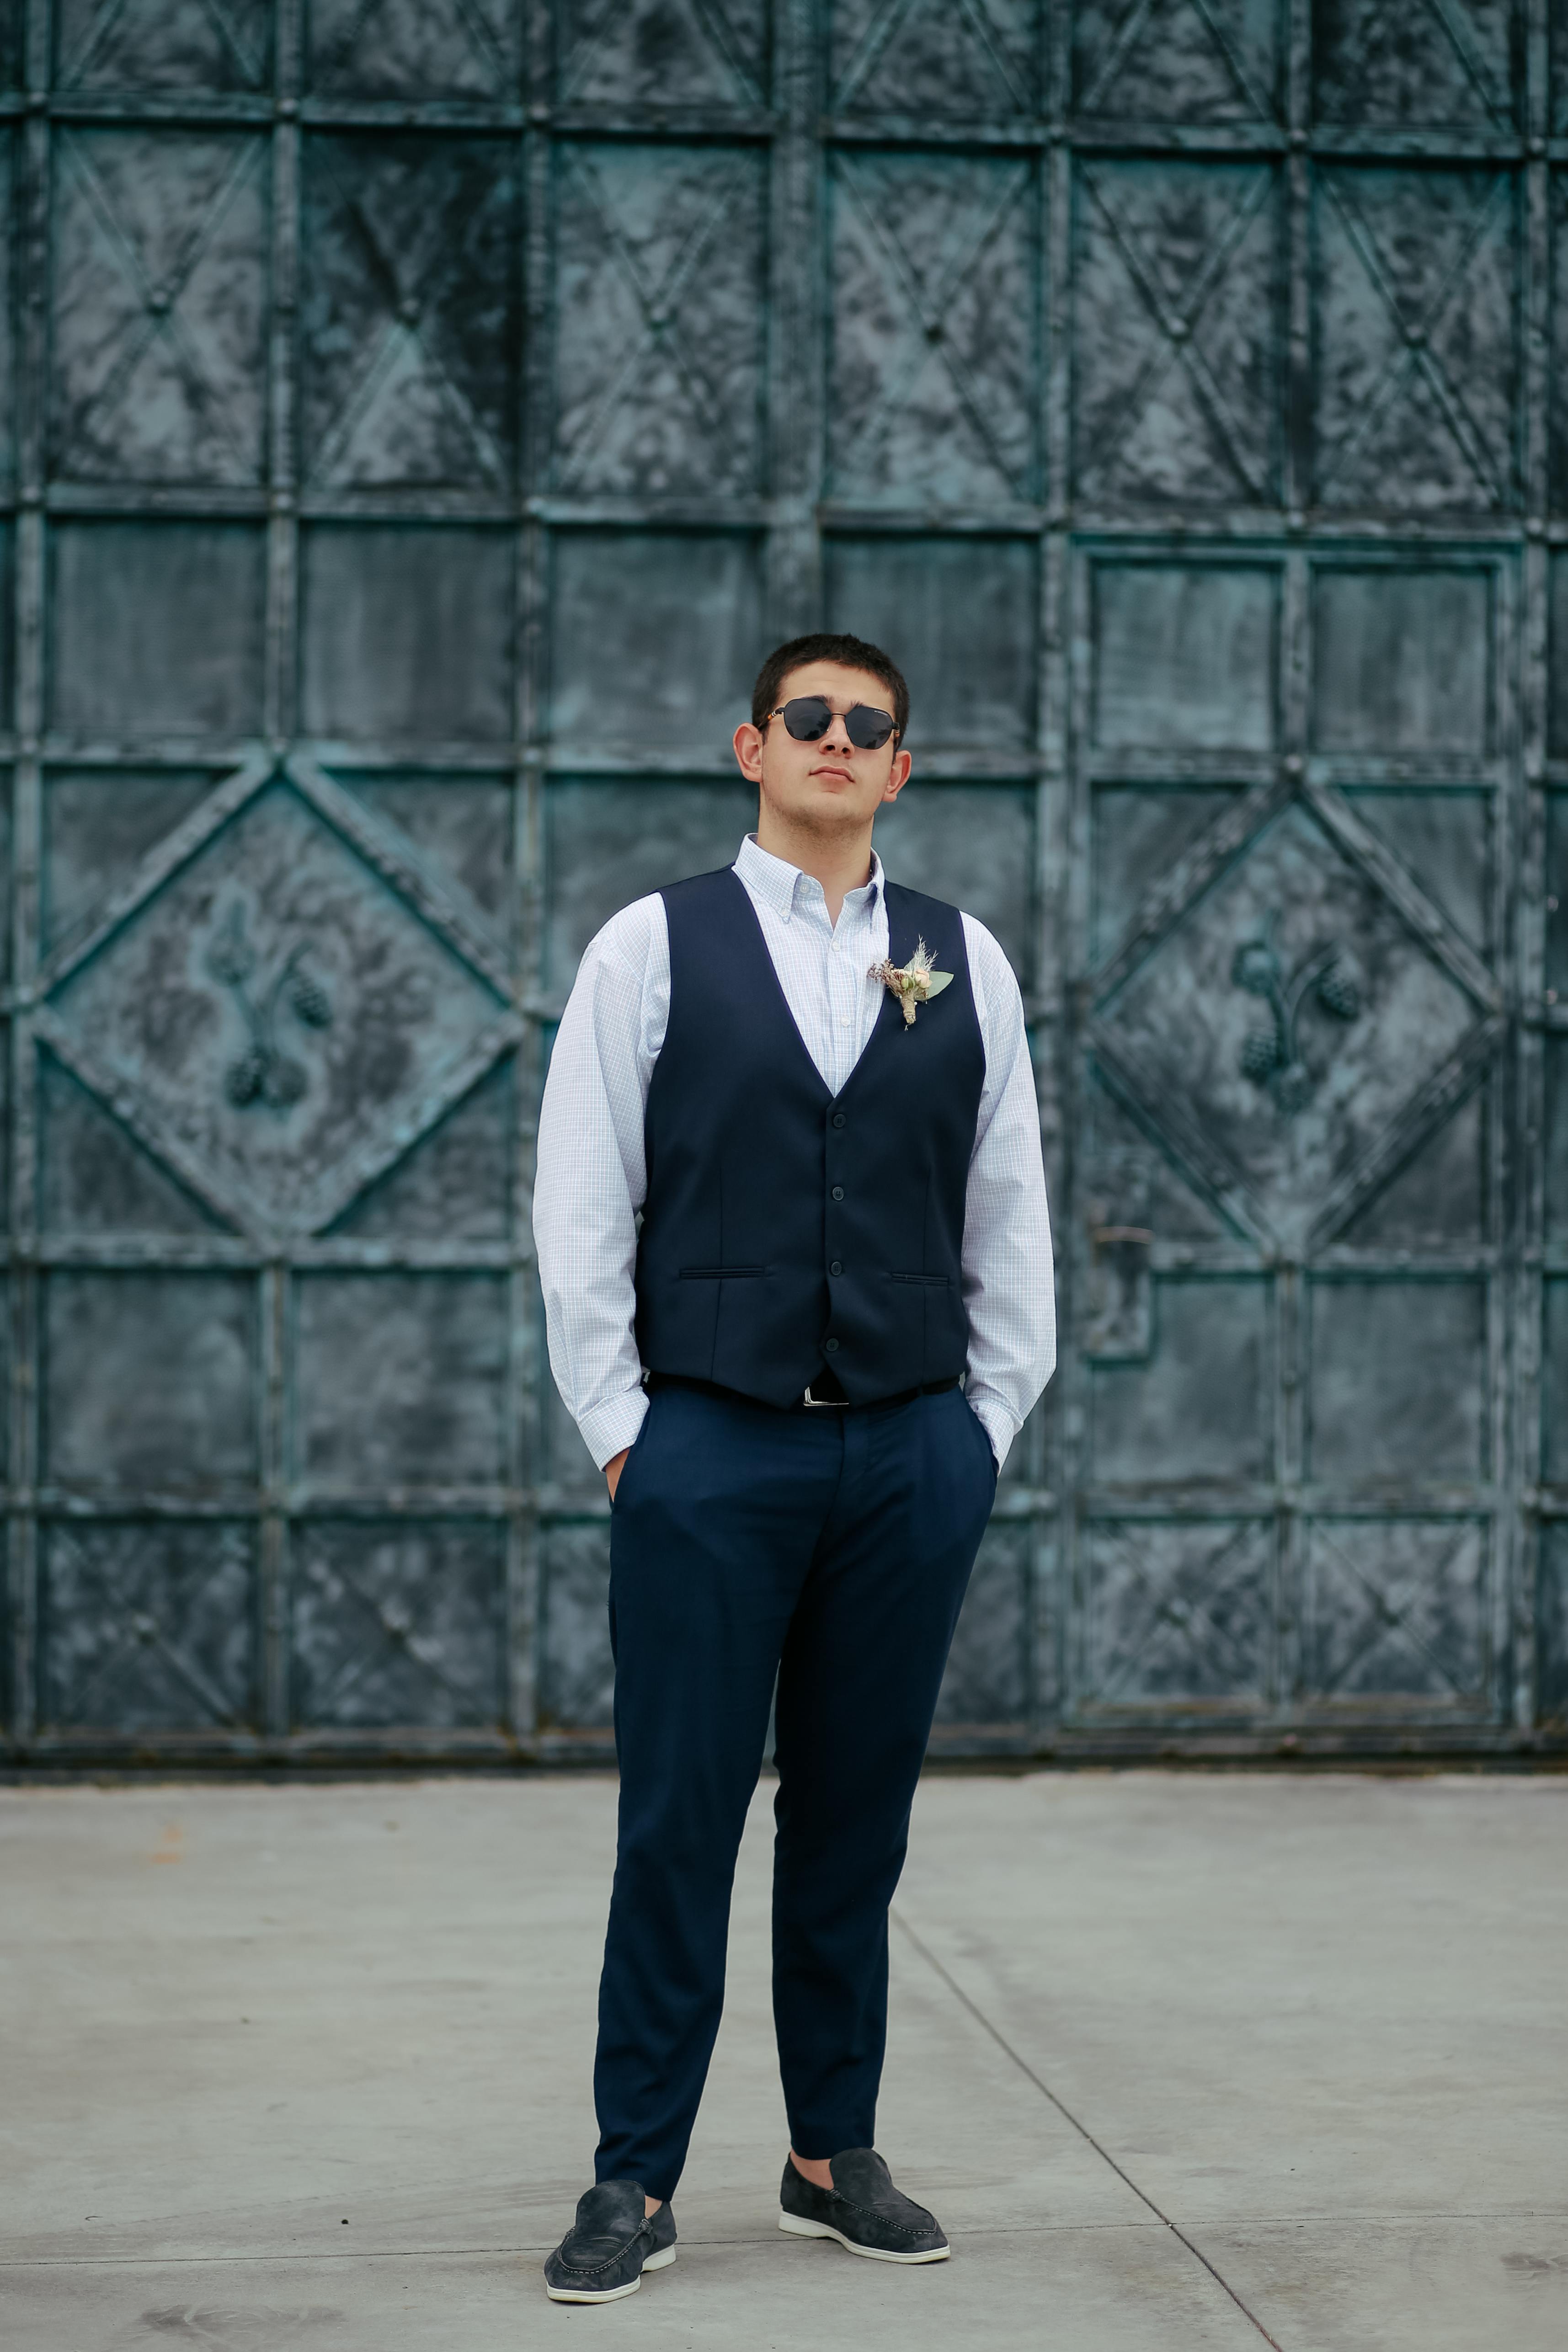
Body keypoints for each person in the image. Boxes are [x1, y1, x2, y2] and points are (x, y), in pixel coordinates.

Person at [533, 631, 1056, 2303]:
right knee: (678, 1816)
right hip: (709, 1446)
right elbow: (582, 1201)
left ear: (901, 767)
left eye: (867, 723)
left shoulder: (963, 958)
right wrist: (628, 1434)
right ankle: (634, 2174)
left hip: (906, 1452)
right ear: (750, 745)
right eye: (807, 715)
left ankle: (833, 2155)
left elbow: (1007, 1213)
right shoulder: (651, 944)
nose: (837, 737)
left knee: (855, 1820)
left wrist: (979, 1431)